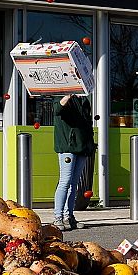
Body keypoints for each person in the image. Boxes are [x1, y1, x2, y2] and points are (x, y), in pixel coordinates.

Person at [53, 93, 95, 232]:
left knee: (74, 184)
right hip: (68, 146)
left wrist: (89, 145)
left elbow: (86, 122)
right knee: (65, 181)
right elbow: (57, 110)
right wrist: (66, 97)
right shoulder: (61, 96)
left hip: (82, 146)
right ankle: (58, 217)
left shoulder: (83, 99)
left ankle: (68, 216)